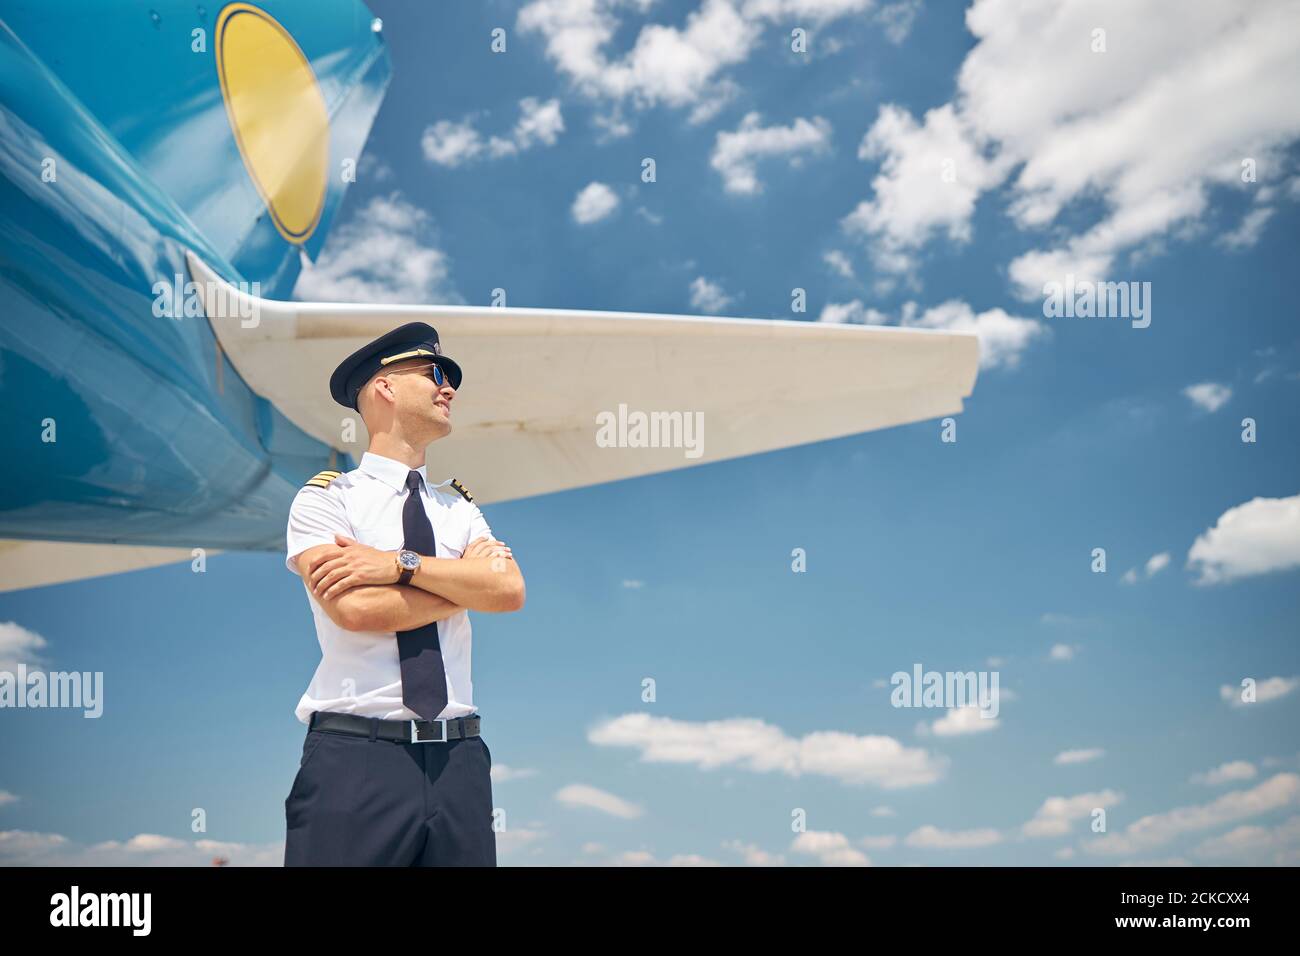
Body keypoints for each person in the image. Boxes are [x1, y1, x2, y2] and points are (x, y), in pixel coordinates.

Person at [282, 321, 525, 866]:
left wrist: (398, 564)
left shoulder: (459, 508)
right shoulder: (327, 502)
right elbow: (357, 609)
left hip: (460, 761)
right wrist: (465, 583)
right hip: (355, 760)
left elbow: (508, 591)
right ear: (385, 386)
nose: (450, 389)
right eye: (436, 374)